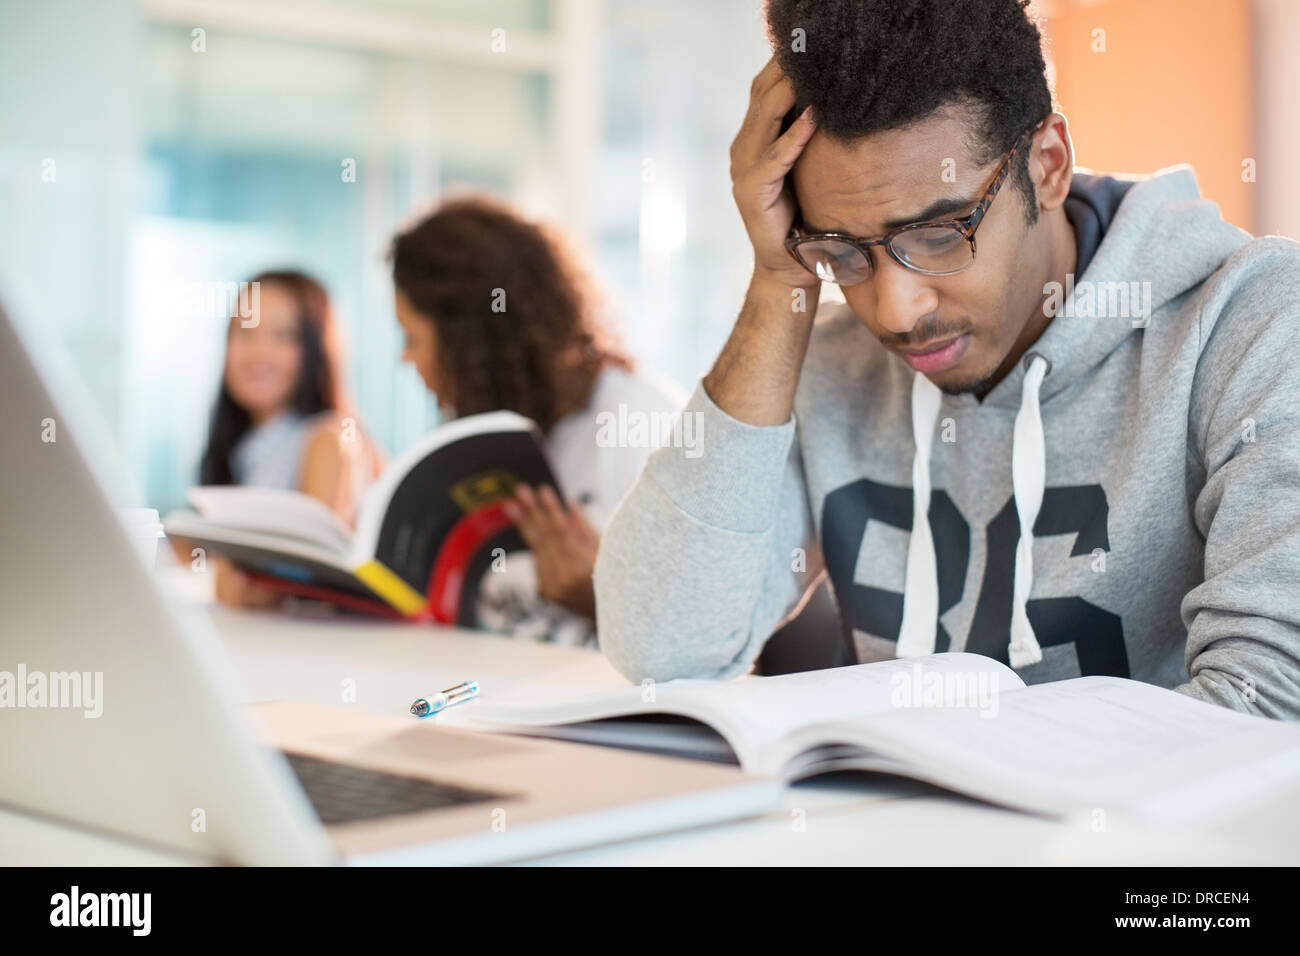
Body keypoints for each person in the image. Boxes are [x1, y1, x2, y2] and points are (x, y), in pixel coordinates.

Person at [594, 0, 1300, 719]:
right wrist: (781, 282)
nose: (896, 312)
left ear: (1048, 163)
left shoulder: (1251, 321)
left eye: (936, 235)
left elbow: (1269, 707)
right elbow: (663, 653)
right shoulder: (826, 362)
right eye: (841, 250)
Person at [389, 195, 686, 646]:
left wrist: (597, 595)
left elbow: (701, 642)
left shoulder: (643, 427)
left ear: (469, 342)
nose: (404, 358)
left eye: (412, 338)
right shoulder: (499, 430)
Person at [197, 269, 382, 606]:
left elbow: (286, 586)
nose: (259, 352)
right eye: (245, 331)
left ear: (315, 349)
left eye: (284, 336)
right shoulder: (249, 450)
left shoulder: (331, 440)